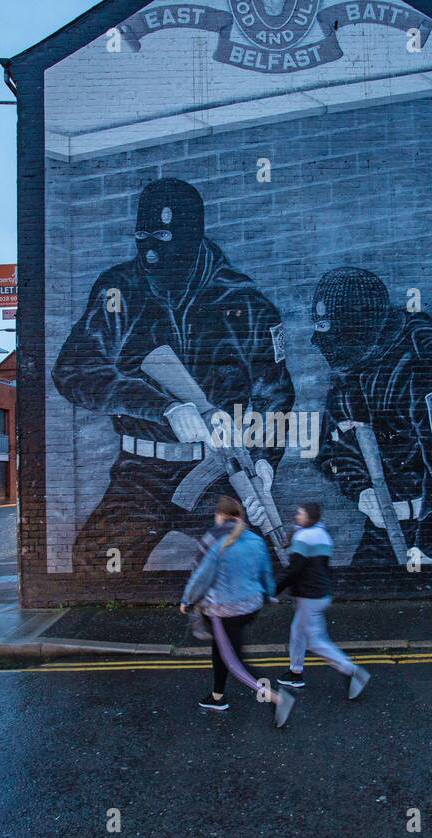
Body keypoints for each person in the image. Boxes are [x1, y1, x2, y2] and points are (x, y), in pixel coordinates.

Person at [52, 178, 294, 572]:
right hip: (139, 473)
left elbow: (274, 393)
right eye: (142, 236)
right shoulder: (120, 290)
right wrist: (163, 407)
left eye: (162, 235)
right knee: (92, 566)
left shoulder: (243, 301)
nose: (149, 250)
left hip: (220, 469)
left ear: (191, 233)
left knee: (265, 569)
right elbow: (74, 370)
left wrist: (264, 460)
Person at [311, 267, 432, 566]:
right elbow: (332, 441)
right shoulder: (355, 368)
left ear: (357, 326)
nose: (320, 343)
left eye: (332, 329)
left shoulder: (427, 368)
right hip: (387, 528)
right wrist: (361, 490)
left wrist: (431, 545)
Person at [180, 496, 295, 728]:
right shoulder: (255, 539)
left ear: (220, 516)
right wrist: (271, 594)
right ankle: (217, 696)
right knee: (222, 649)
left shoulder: (217, 540)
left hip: (223, 611)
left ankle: (276, 698)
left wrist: (186, 600)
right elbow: (266, 574)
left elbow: (201, 577)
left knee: (234, 662)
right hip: (250, 607)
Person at [275, 502, 370, 698]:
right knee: (298, 633)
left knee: (315, 640)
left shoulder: (304, 536)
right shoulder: (322, 535)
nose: (297, 515)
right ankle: (295, 672)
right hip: (318, 593)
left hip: (309, 596)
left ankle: (351, 670)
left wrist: (274, 589)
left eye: (300, 512)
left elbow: (294, 569)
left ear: (309, 517)